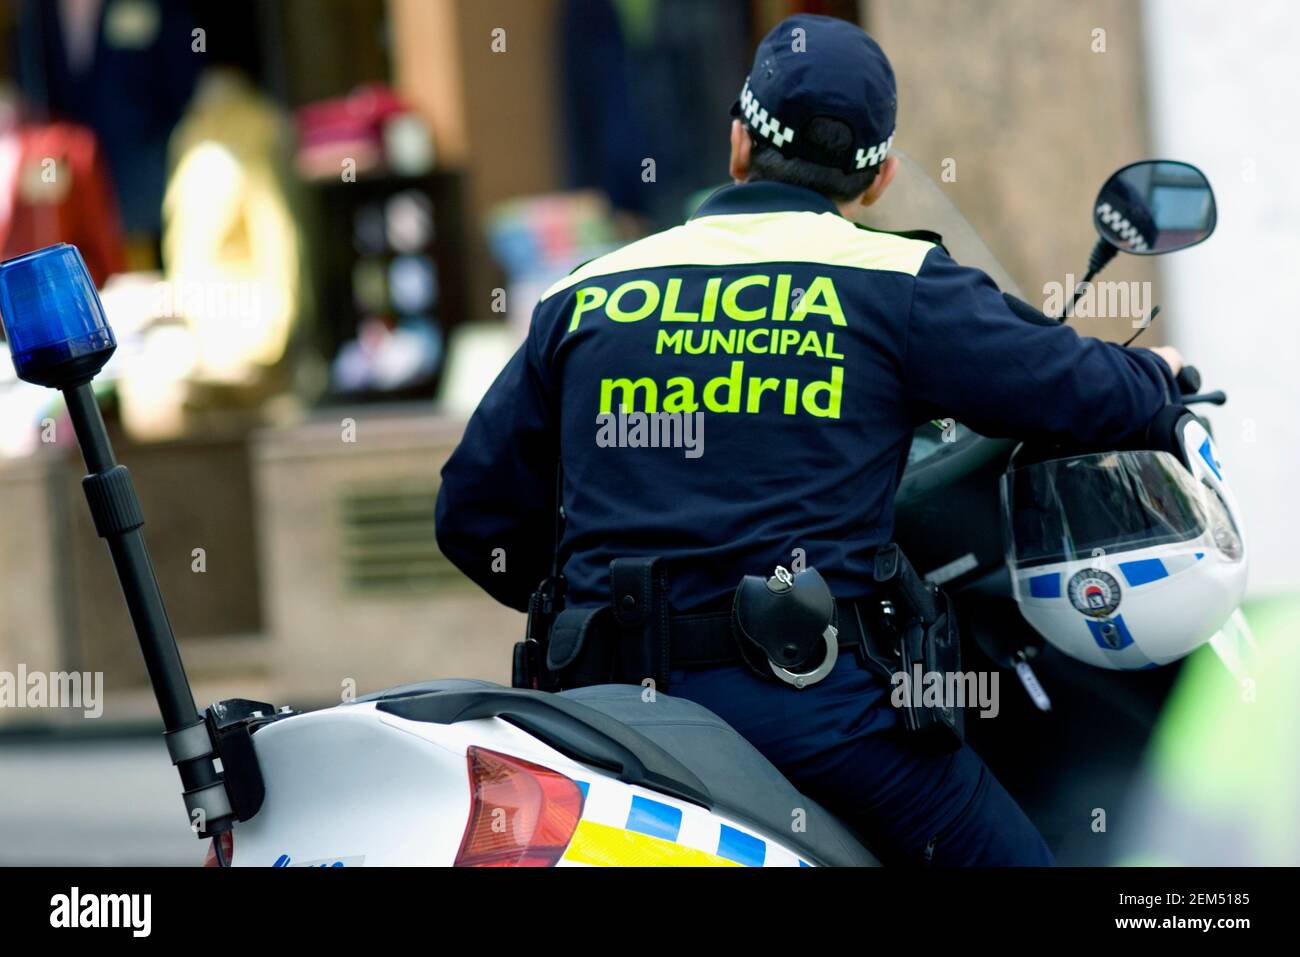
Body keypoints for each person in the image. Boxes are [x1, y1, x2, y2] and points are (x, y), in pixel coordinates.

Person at [435, 14, 1184, 866]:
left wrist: (601, 601)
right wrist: (1162, 382)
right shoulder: (897, 284)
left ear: (737, 144)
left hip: (598, 714)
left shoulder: (587, 289)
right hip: (812, 717)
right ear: (879, 175)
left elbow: (471, 518)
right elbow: (1074, 387)